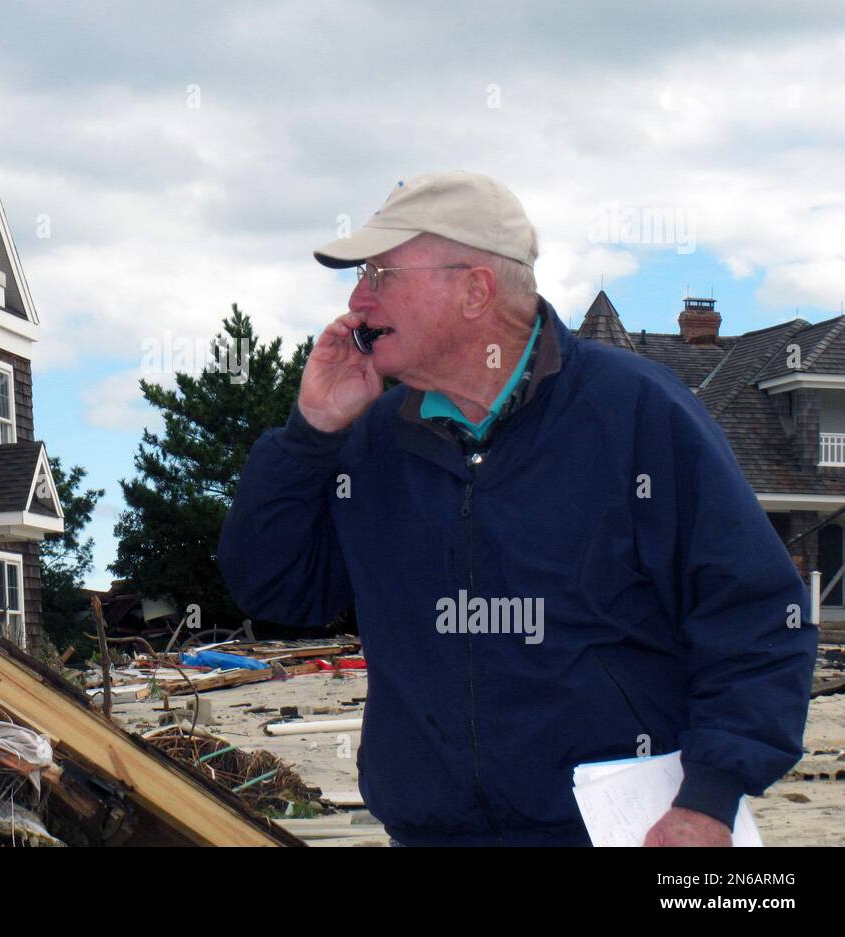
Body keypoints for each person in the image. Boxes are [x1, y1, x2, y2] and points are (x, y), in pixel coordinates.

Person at [217, 170, 817, 847]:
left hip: (626, 831)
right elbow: (274, 588)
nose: (357, 298)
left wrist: (710, 797)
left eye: (382, 274)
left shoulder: (635, 411)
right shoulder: (372, 439)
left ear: (475, 289)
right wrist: (310, 432)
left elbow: (760, 616)